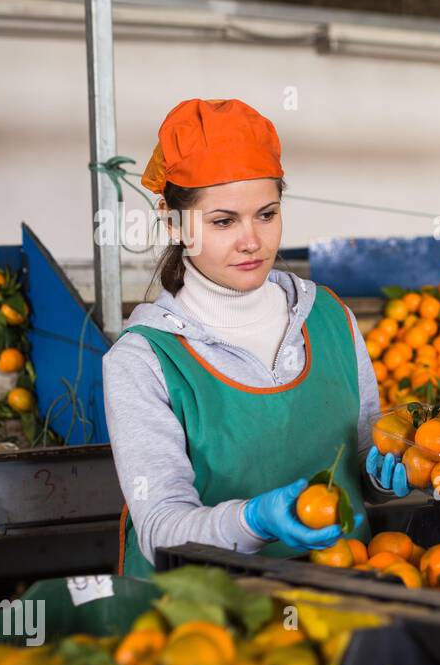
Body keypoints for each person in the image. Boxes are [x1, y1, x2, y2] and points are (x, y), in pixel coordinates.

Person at [104, 98, 391, 577]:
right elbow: (160, 528)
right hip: (208, 623)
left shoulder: (329, 318)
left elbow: (360, 463)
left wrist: (388, 473)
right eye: (223, 221)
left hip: (344, 597)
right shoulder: (145, 359)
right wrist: (255, 520)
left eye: (267, 213)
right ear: (173, 222)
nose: (252, 241)